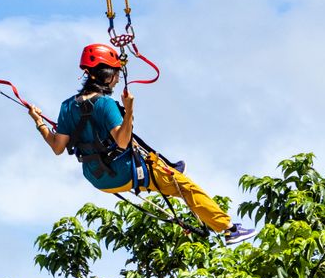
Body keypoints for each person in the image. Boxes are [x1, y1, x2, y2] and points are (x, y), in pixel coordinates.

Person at [31, 43, 254, 242]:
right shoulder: (105, 104)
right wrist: (128, 111)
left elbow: (57, 147)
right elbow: (122, 141)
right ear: (105, 75)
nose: (118, 79)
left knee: (155, 161)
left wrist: (39, 121)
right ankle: (229, 228)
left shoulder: (67, 106)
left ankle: (167, 167)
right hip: (123, 172)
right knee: (186, 187)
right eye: (115, 74)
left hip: (96, 177)